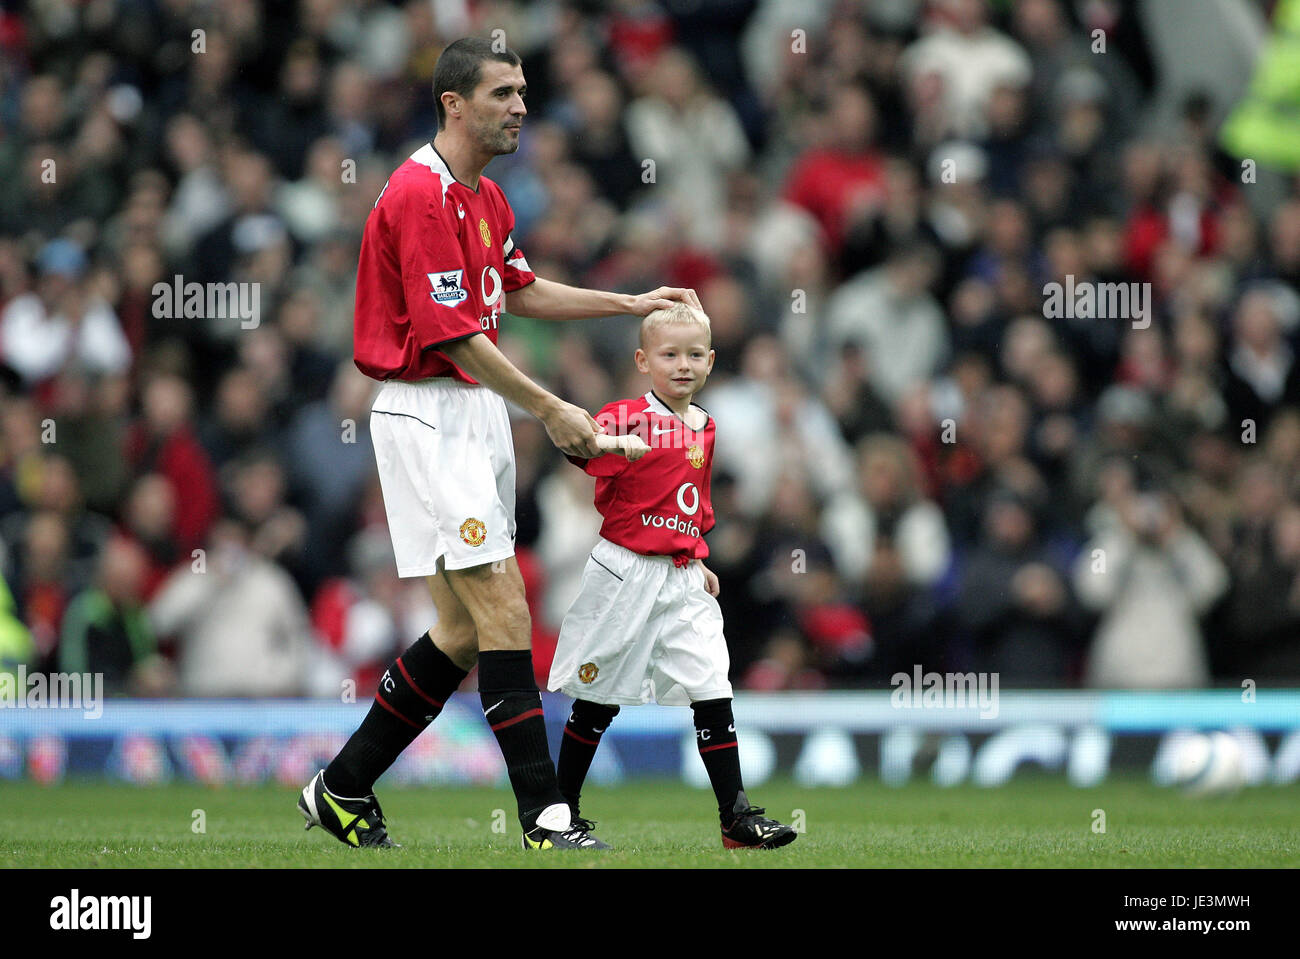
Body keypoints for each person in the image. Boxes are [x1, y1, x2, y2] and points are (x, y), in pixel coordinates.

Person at [297, 37, 700, 851]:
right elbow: (452, 338)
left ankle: (340, 786)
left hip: (472, 413)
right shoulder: (417, 194)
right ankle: (545, 815)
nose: (522, 106)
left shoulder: (484, 196)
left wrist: (631, 303)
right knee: (505, 606)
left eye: (522, 91)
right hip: (429, 409)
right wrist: (553, 408)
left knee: (458, 628)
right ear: (454, 103)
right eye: (503, 93)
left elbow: (518, 290)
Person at [547, 302, 796, 850]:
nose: (682, 364)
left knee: (712, 684)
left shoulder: (705, 427)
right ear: (643, 360)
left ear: (709, 361)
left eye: (692, 354)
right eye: (669, 354)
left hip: (682, 574)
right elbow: (573, 443)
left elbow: (692, 500)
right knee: (599, 696)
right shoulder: (626, 417)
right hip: (625, 572)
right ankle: (558, 813)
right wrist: (604, 442)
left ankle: (736, 818)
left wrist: (698, 555)